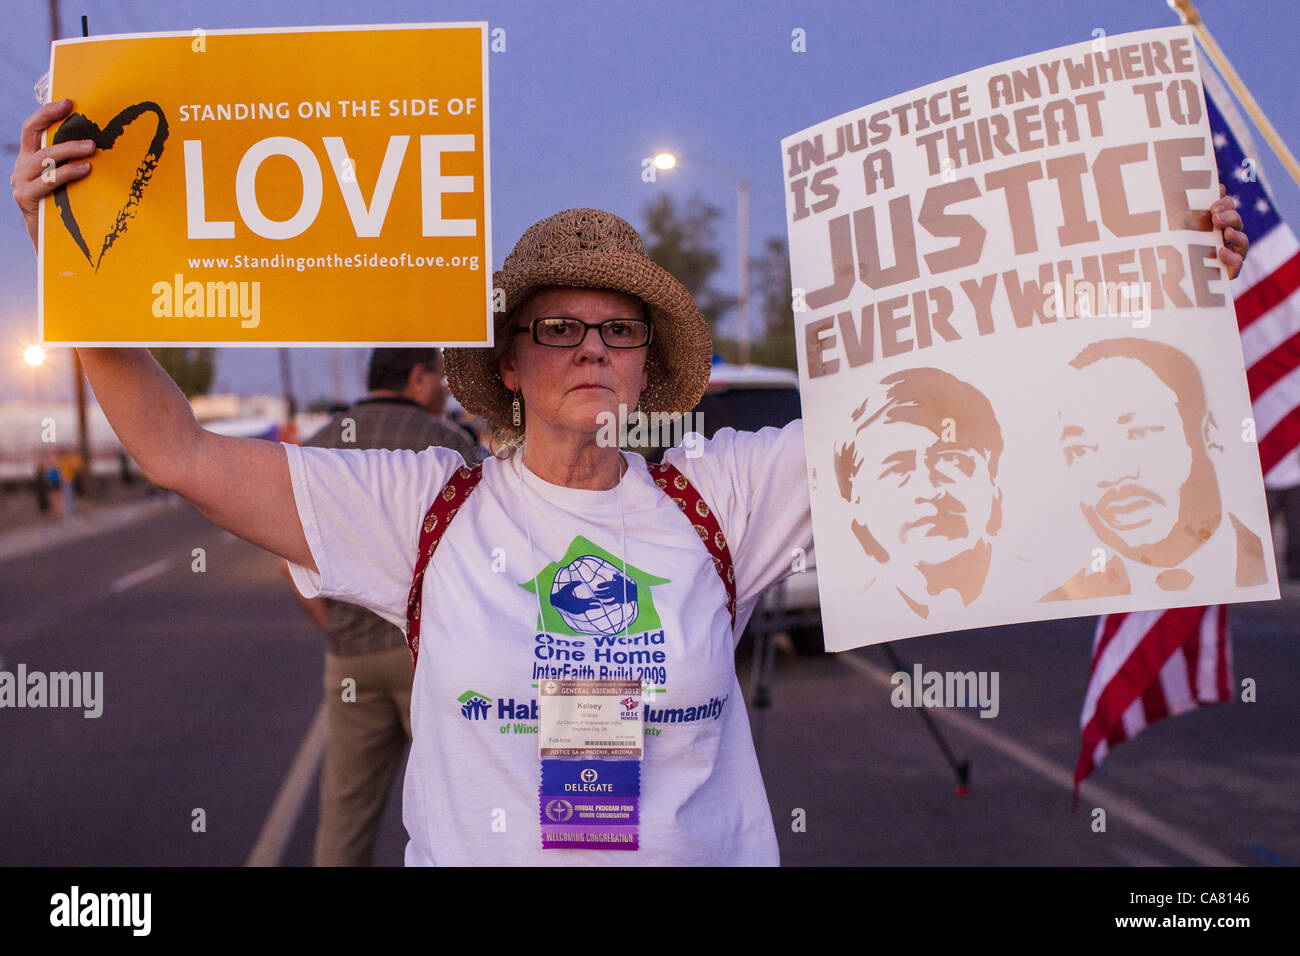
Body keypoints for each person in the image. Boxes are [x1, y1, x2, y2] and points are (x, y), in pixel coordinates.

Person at [11, 98, 1250, 865]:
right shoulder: (420, 508)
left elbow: (988, 405)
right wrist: (73, 262)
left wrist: (1157, 289)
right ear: (509, 362)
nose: (591, 346)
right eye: (559, 326)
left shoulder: (726, 494)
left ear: (652, 358)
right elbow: (174, 448)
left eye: (617, 327)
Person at [284, 348, 479, 867]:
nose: (447, 390)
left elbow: (290, 564)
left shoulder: (320, 446)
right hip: (430, 662)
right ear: (417, 379)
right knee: (463, 809)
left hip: (351, 659)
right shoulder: (450, 444)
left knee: (346, 816)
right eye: (441, 378)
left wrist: (336, 629)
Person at [1043, 336, 1268, 600]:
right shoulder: (1065, 598)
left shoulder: (1258, 565)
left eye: (1139, 433)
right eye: (1079, 449)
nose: (1113, 475)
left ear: (1209, 434)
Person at [833, 367, 1004, 619]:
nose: (929, 490)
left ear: (994, 486)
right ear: (856, 504)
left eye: (952, 461)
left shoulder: (1045, 593)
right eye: (897, 467)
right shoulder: (857, 614)